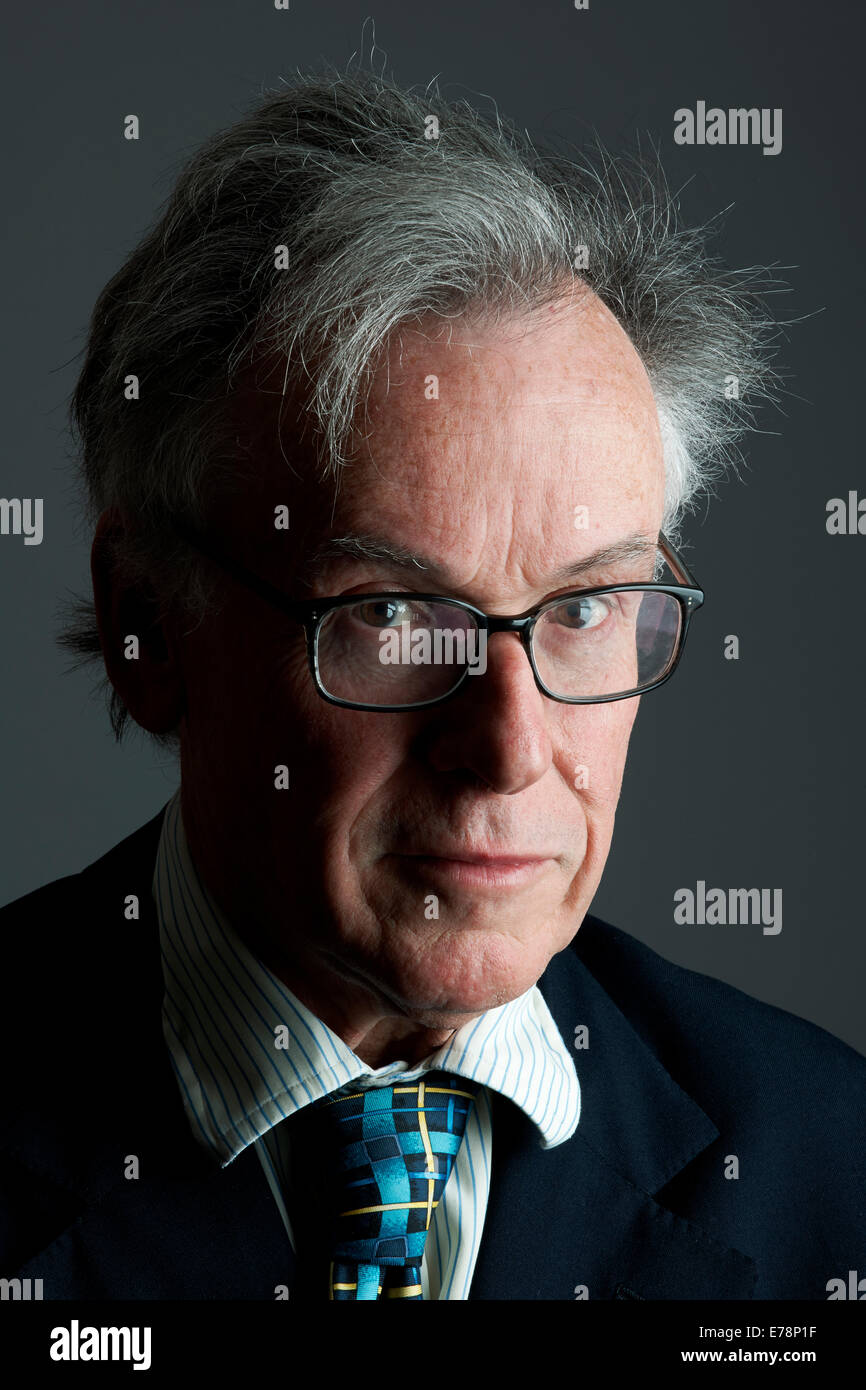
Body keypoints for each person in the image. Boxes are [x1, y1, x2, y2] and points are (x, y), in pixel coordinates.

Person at [1, 66, 863, 1303]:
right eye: (393, 614)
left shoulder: (832, 1176)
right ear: (149, 628)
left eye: (579, 609)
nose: (508, 745)